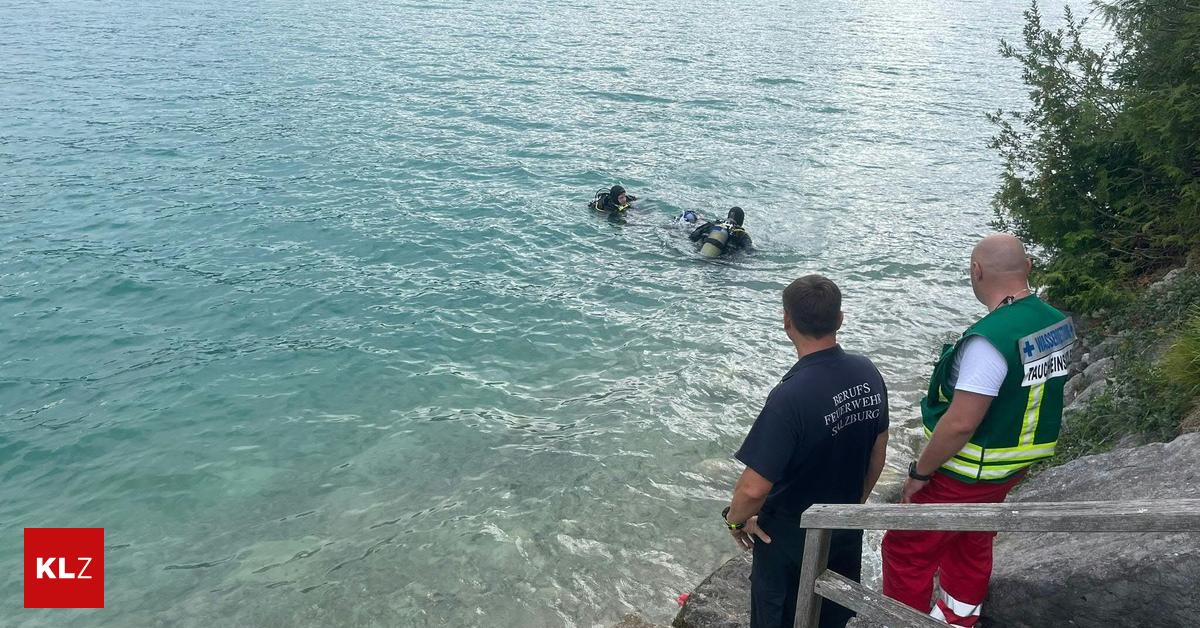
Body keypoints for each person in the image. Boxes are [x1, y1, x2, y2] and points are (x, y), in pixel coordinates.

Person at [881, 234, 1074, 627]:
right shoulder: (1056, 323)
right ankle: (957, 619)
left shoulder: (990, 340)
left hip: (967, 471)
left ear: (976, 271)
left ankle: (902, 622)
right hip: (1012, 466)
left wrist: (920, 473)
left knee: (906, 548)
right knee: (971, 540)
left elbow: (961, 423)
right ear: (1029, 268)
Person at [722, 275, 890, 628]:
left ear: (786, 321)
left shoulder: (790, 397)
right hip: (841, 527)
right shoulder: (867, 372)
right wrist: (852, 506)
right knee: (831, 616)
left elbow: (753, 489)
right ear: (839, 319)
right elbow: (878, 451)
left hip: (789, 542)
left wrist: (736, 520)